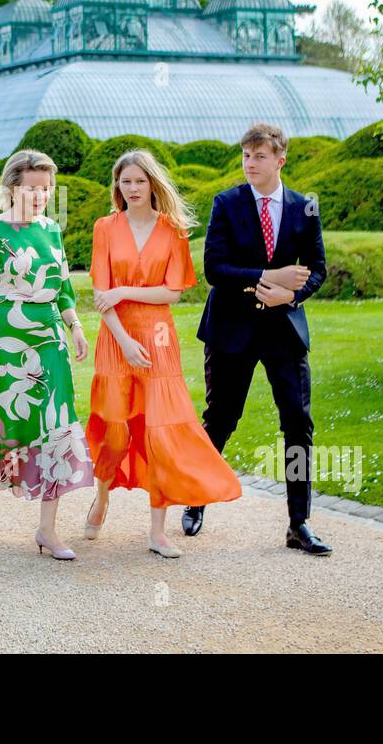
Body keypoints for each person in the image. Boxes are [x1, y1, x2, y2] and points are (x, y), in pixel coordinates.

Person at [85, 150, 241, 558]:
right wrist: (124, 341)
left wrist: (124, 291)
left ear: (152, 183)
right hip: (116, 338)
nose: (132, 188)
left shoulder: (173, 231)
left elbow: (172, 292)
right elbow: (101, 296)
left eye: (139, 181)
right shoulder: (105, 227)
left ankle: (157, 531)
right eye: (125, 181)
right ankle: (102, 496)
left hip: (157, 338)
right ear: (117, 186)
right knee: (116, 431)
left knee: (161, 433)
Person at [187, 122, 331, 555]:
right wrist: (268, 277)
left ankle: (299, 523)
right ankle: (196, 497)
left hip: (284, 330)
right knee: (221, 418)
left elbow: (318, 268)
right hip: (232, 328)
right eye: (246, 157)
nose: (251, 164)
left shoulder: (306, 207)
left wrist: (292, 293)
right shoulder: (227, 203)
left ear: (280, 159)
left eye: (260, 157)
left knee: (298, 426)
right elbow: (215, 269)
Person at [0, 149, 92, 561]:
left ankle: (47, 529)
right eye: (32, 188)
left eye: (46, 189)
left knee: (57, 427)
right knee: (6, 426)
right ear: (11, 188)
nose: (39, 196)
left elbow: (64, 290)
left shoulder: (52, 229)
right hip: (6, 344)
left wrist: (74, 326)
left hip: (51, 343)